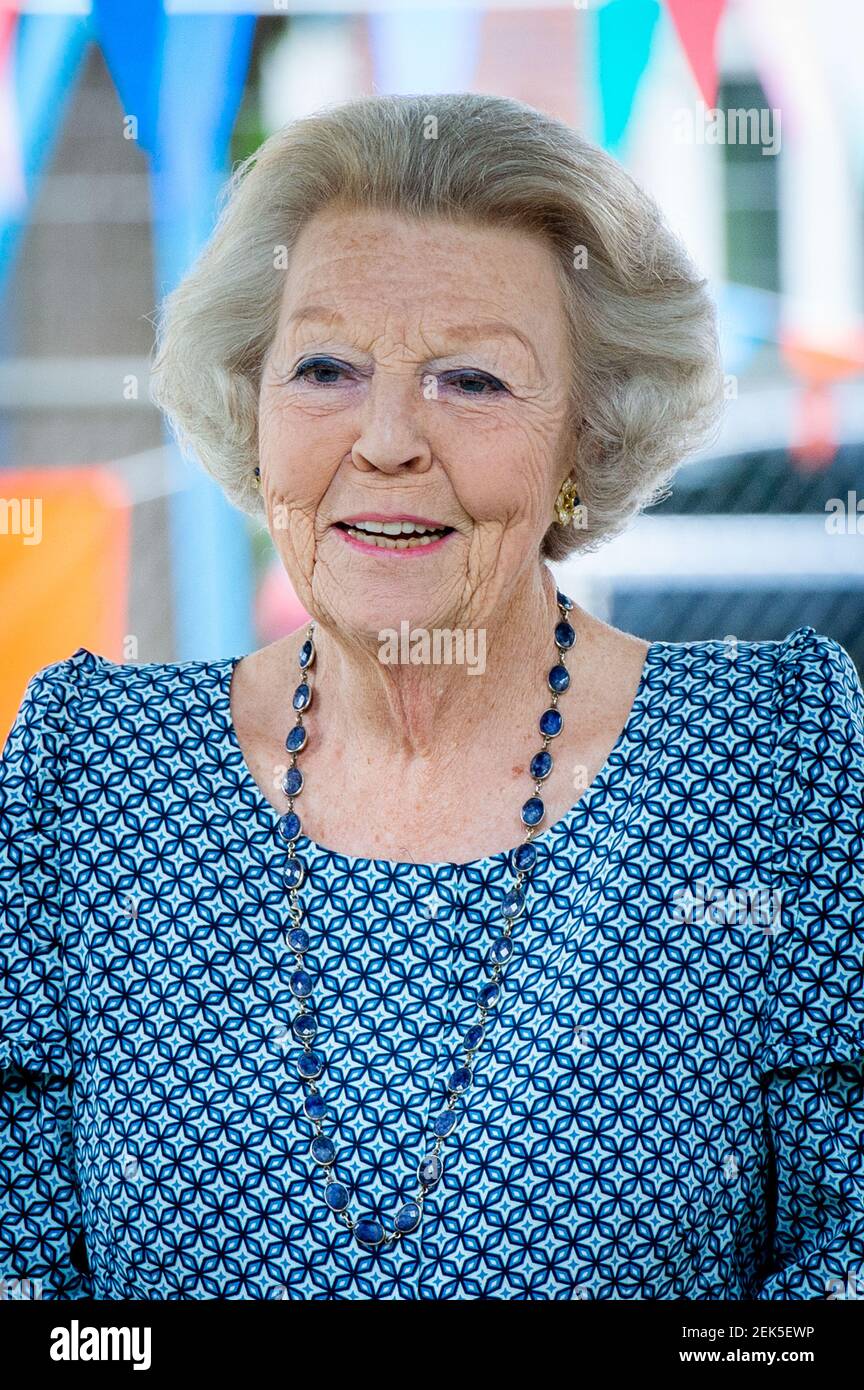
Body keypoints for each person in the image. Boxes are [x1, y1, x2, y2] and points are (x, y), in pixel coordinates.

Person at [1, 92, 862, 1301]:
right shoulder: (87, 777)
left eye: (472, 378)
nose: (390, 437)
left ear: (587, 441)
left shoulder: (770, 768)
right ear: (255, 414)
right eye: (323, 369)